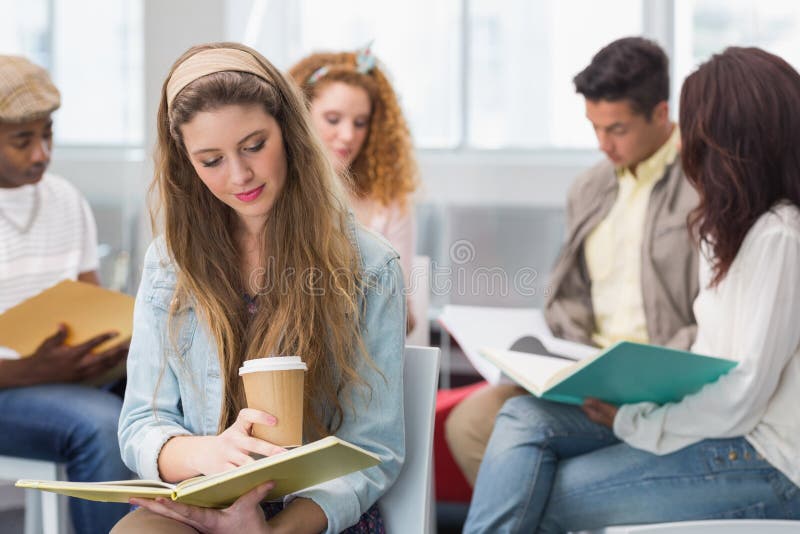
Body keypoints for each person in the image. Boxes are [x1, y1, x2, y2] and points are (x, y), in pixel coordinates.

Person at [464, 46, 800, 533]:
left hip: (762, 457)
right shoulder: (731, 229)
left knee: (544, 496)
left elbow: (742, 397)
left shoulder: (780, 235)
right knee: (521, 417)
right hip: (707, 421)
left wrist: (635, 420)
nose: (692, 146)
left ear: (734, 143)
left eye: (700, 131)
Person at [111, 42, 405, 534]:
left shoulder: (369, 265)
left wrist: (272, 531)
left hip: (309, 515)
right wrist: (207, 453)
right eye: (211, 160)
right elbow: (142, 421)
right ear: (186, 163)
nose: (240, 175)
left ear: (289, 133)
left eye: (253, 146)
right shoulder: (168, 263)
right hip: (202, 501)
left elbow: (373, 450)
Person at [445, 36, 700, 486]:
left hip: (660, 386)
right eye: (594, 127)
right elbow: (572, 294)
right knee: (469, 422)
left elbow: (716, 314)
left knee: (523, 439)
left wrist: (643, 380)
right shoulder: (589, 188)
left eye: (617, 129)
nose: (603, 143)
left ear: (661, 114)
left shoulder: (703, 188)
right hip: (587, 379)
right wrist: (565, 358)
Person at [0, 55, 130, 533]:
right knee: (100, 426)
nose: (42, 153)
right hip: (8, 387)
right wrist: (29, 371)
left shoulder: (65, 199)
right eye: (22, 141)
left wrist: (119, 344)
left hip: (64, 378)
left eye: (47, 134)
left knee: (183, 401)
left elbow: (92, 307)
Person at [288, 45, 419, 333]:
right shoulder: (277, 195)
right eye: (333, 119)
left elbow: (403, 317)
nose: (348, 135)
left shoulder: (387, 204)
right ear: (300, 116)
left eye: (360, 123)